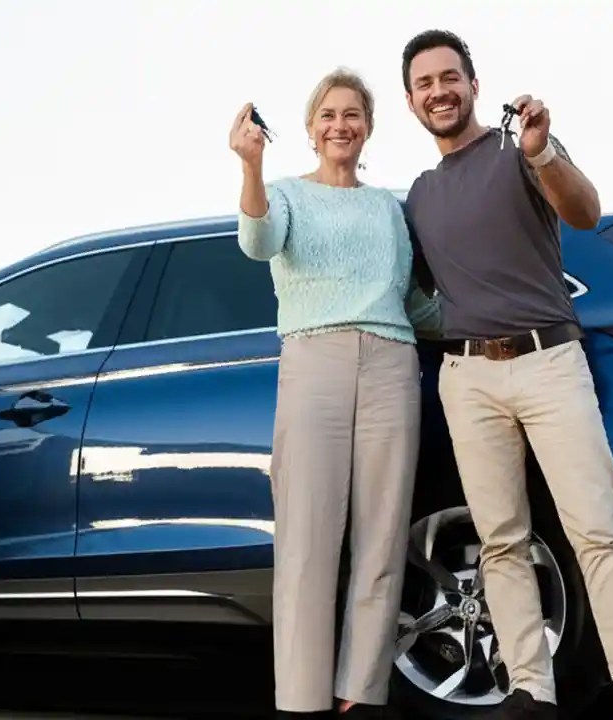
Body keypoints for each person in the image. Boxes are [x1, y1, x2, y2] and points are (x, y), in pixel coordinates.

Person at [397, 30, 613, 720]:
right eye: (425, 83)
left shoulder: (521, 148)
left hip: (549, 362)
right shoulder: (420, 196)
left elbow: (583, 211)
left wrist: (543, 152)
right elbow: (423, 293)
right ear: (411, 101)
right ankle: (530, 690)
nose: (439, 91)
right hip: (468, 377)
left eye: (449, 77)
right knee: (501, 539)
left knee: (596, 532)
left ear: (473, 85)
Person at [229, 67, 440, 719]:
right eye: (328, 115)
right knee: (308, 538)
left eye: (352, 114)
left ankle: (362, 693)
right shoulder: (286, 195)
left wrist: (494, 316)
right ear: (310, 128)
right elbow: (257, 241)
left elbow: (413, 302)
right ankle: (302, 700)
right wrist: (251, 166)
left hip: (391, 363)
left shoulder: (389, 210)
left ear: (368, 127)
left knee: (383, 535)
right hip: (314, 361)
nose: (340, 125)